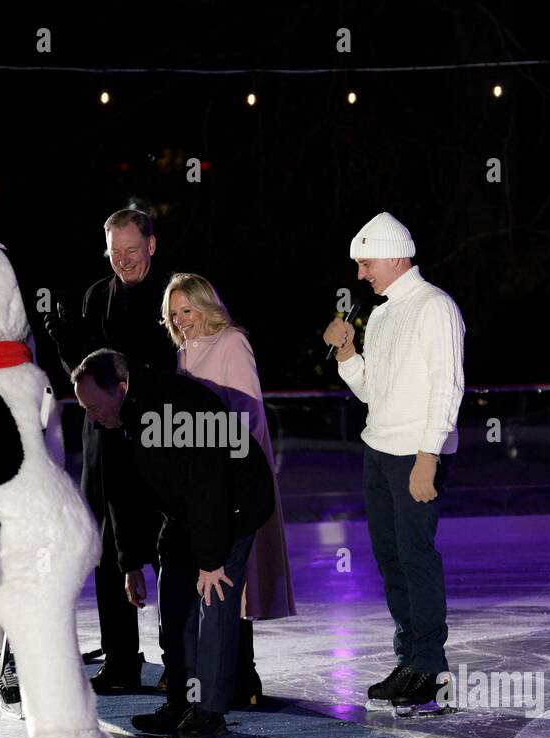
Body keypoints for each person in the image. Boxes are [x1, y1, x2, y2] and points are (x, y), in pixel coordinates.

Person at [71, 349, 275, 738]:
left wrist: (212, 560)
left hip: (234, 504)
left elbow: (209, 486)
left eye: (94, 406)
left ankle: (209, 711)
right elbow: (123, 496)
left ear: (122, 388)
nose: (90, 416)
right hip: (182, 512)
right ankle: (182, 703)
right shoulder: (113, 419)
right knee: (174, 598)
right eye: (84, 408)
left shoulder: (177, 406)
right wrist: (130, 563)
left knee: (213, 599)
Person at [323, 212, 465, 710]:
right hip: (379, 450)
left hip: (414, 455)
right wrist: (346, 354)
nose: (361, 274)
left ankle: (430, 668)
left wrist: (428, 457)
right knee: (390, 559)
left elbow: (448, 387)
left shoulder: (434, 307)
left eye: (365, 263)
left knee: (415, 556)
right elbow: (372, 393)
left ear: (394, 255)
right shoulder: (381, 314)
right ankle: (410, 660)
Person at [42, 210, 174, 693]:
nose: (123, 261)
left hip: (154, 439)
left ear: (152, 246)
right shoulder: (98, 295)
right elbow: (83, 378)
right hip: (102, 443)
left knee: (163, 550)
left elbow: (156, 367)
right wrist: (67, 348)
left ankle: (178, 661)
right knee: (106, 548)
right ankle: (121, 658)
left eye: (132, 251)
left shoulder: (171, 298)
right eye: (114, 253)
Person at [160, 273, 295, 707]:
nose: (182, 320)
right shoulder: (182, 353)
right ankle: (211, 677)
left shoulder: (232, 343)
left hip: (236, 480)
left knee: (233, 578)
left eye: (188, 310)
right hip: (199, 487)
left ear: (206, 308)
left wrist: (226, 469)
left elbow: (248, 413)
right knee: (212, 581)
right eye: (175, 312)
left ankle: (242, 677)